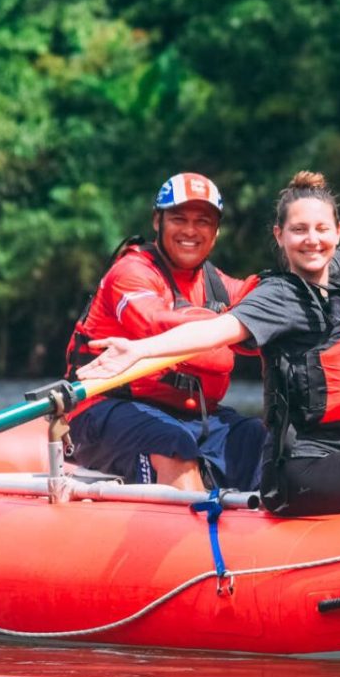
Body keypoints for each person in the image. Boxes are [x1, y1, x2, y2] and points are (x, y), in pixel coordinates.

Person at [82, 80, 340, 517]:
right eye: (300, 231)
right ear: (280, 236)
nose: (313, 240)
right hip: (300, 473)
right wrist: (137, 349)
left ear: (337, 233)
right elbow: (216, 330)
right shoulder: (277, 297)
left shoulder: (336, 276)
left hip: (328, 461)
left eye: (322, 229)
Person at [63, 170, 268, 492]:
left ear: (215, 232)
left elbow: (263, 303)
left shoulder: (219, 285)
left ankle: (261, 535)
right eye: (178, 218)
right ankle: (194, 533)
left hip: (187, 414)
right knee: (173, 442)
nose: (190, 230)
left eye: (203, 221)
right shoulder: (130, 272)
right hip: (103, 410)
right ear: (157, 222)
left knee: (258, 437)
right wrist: (231, 324)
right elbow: (154, 322)